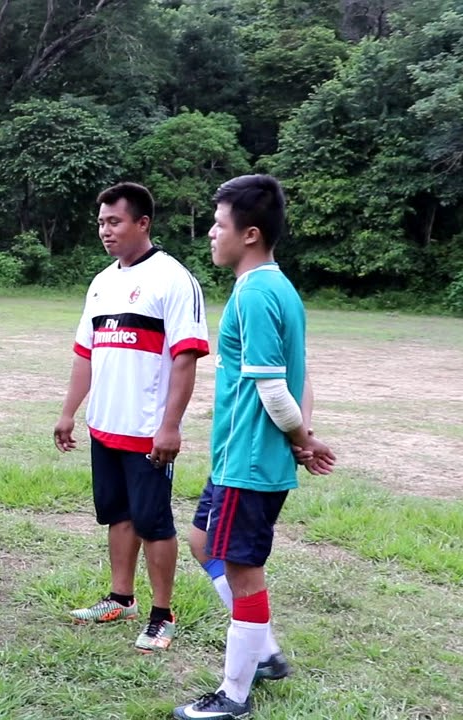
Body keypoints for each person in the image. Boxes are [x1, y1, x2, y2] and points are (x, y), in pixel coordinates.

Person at [174, 175, 336, 720]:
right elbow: (303, 375)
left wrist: (300, 439)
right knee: (203, 543)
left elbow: (274, 387)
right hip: (235, 459)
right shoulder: (278, 287)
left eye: (219, 226)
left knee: (244, 571)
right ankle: (262, 652)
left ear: (249, 234)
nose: (212, 236)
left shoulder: (258, 291)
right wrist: (303, 435)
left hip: (248, 461)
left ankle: (233, 695)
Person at [53, 182, 209, 652]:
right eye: (101, 222)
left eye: (114, 221)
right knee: (117, 515)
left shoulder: (174, 280)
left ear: (143, 223)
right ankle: (121, 598)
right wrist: (68, 412)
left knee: (153, 521)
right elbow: (86, 354)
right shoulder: (101, 282)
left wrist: (170, 425)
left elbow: (186, 359)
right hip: (106, 427)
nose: (105, 230)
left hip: (147, 433)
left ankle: (163, 614)